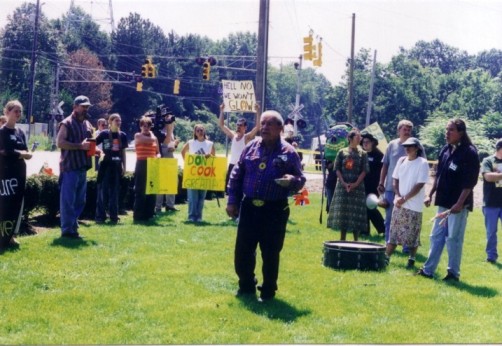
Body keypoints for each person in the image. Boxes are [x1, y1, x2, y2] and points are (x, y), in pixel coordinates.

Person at [226, 110, 305, 302]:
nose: (265, 127)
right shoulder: (251, 147)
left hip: (275, 209)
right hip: (249, 207)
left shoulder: (289, 152)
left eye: (270, 124)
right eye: (262, 124)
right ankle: (246, 285)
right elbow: (237, 174)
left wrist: (292, 179)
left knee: (270, 252)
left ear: (280, 128)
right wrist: (232, 200)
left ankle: (268, 290)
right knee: (243, 251)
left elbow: (300, 179)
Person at [417, 119, 480, 281]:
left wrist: (459, 203)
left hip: (458, 205)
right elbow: (438, 175)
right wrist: (430, 194)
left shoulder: (469, 152)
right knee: (436, 236)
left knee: (453, 238)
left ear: (461, 132)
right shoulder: (446, 150)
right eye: (447, 130)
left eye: (451, 130)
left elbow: (470, 182)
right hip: (443, 202)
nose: (447, 133)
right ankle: (428, 270)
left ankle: (453, 273)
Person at [378, 120, 426, 246]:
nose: (407, 132)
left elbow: (423, 164)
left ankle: (406, 246)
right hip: (390, 188)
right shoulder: (392, 145)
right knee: (389, 218)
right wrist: (381, 182)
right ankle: (388, 242)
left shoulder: (417, 145)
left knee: (408, 219)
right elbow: (385, 165)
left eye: (409, 129)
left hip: (409, 189)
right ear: (398, 130)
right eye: (405, 129)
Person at [385, 137, 429, 268]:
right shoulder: (401, 160)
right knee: (393, 232)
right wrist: (398, 196)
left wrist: (405, 198)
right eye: (406, 146)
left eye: (410, 146)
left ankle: (412, 257)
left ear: (417, 148)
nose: (407, 148)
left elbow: (420, 184)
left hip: (414, 205)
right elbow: (395, 179)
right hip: (399, 203)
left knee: (412, 235)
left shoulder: (422, 163)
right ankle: (386, 257)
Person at [56, 95, 94, 239]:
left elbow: (89, 142)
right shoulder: (66, 123)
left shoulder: (87, 123)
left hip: (82, 167)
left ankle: (72, 225)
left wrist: (93, 149)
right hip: (70, 167)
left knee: (80, 200)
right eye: (83, 106)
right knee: (68, 200)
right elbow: (60, 143)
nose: (86, 109)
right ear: (75, 107)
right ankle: (67, 230)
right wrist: (80, 146)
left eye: (87, 106)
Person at [0, 100, 32, 249]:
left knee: (17, 203)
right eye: (15, 111)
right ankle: (4, 236)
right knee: (5, 203)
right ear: (7, 112)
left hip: (20, 172)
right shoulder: (2, 132)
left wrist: (24, 154)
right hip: (6, 173)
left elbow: (25, 149)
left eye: (20, 111)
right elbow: (5, 152)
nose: (18, 114)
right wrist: (21, 154)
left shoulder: (20, 132)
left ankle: (12, 235)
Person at [327, 129, 369, 241]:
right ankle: (342, 239)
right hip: (342, 186)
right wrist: (344, 183)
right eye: (357, 137)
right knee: (343, 212)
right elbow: (337, 169)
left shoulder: (363, 153)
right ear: (350, 138)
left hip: (358, 187)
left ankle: (356, 240)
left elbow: (364, 170)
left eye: (360, 137)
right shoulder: (341, 152)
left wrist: (356, 184)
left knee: (356, 213)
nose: (359, 139)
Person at [219, 103, 260, 192]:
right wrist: (222, 111)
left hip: (242, 166)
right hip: (232, 165)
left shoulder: (246, 137)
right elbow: (222, 125)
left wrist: (257, 112)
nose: (238, 126)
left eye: (240, 125)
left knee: (241, 189)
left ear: (245, 127)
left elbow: (257, 127)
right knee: (230, 189)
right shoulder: (233, 135)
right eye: (237, 125)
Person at [95, 114, 128, 224]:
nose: (118, 122)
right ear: (110, 122)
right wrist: (99, 152)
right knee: (103, 191)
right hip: (105, 165)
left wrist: (124, 166)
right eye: (116, 120)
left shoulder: (122, 135)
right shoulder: (104, 134)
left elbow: (123, 152)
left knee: (114, 192)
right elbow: (93, 144)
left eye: (120, 120)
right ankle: (100, 216)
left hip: (117, 166)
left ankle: (114, 216)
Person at [181, 124, 215, 222]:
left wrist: (210, 156)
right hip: (192, 174)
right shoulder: (191, 143)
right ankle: (191, 216)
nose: (200, 132)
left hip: (204, 174)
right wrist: (187, 163)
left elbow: (214, 158)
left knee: (201, 196)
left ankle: (199, 217)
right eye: (198, 130)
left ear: (204, 131)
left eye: (201, 130)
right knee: (192, 196)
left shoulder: (210, 144)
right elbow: (183, 152)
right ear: (195, 133)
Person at [133, 116, 160, 222]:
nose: (146, 128)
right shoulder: (138, 135)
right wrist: (153, 135)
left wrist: (157, 158)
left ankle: (149, 214)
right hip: (141, 163)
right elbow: (150, 140)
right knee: (140, 190)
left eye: (148, 126)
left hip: (152, 163)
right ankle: (138, 215)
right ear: (140, 126)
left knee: (152, 190)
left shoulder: (154, 137)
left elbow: (158, 152)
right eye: (144, 126)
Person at [480, 139, 502, 264]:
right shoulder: (488, 161)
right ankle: (491, 256)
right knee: (491, 232)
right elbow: (488, 177)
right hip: (491, 203)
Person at [361, 132, 385, 236]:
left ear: (373, 143)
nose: (365, 144)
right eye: (363, 142)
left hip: (374, 186)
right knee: (363, 208)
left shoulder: (379, 155)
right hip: (362, 185)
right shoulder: (362, 154)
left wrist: (381, 184)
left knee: (370, 207)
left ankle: (383, 228)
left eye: (367, 142)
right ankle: (365, 230)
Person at [155, 119, 180, 213]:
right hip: (163, 154)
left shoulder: (171, 131)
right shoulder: (161, 130)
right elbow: (165, 143)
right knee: (161, 181)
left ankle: (170, 205)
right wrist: (169, 128)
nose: (171, 122)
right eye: (169, 121)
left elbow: (170, 145)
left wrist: (175, 145)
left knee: (172, 180)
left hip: (169, 155)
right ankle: (158, 206)